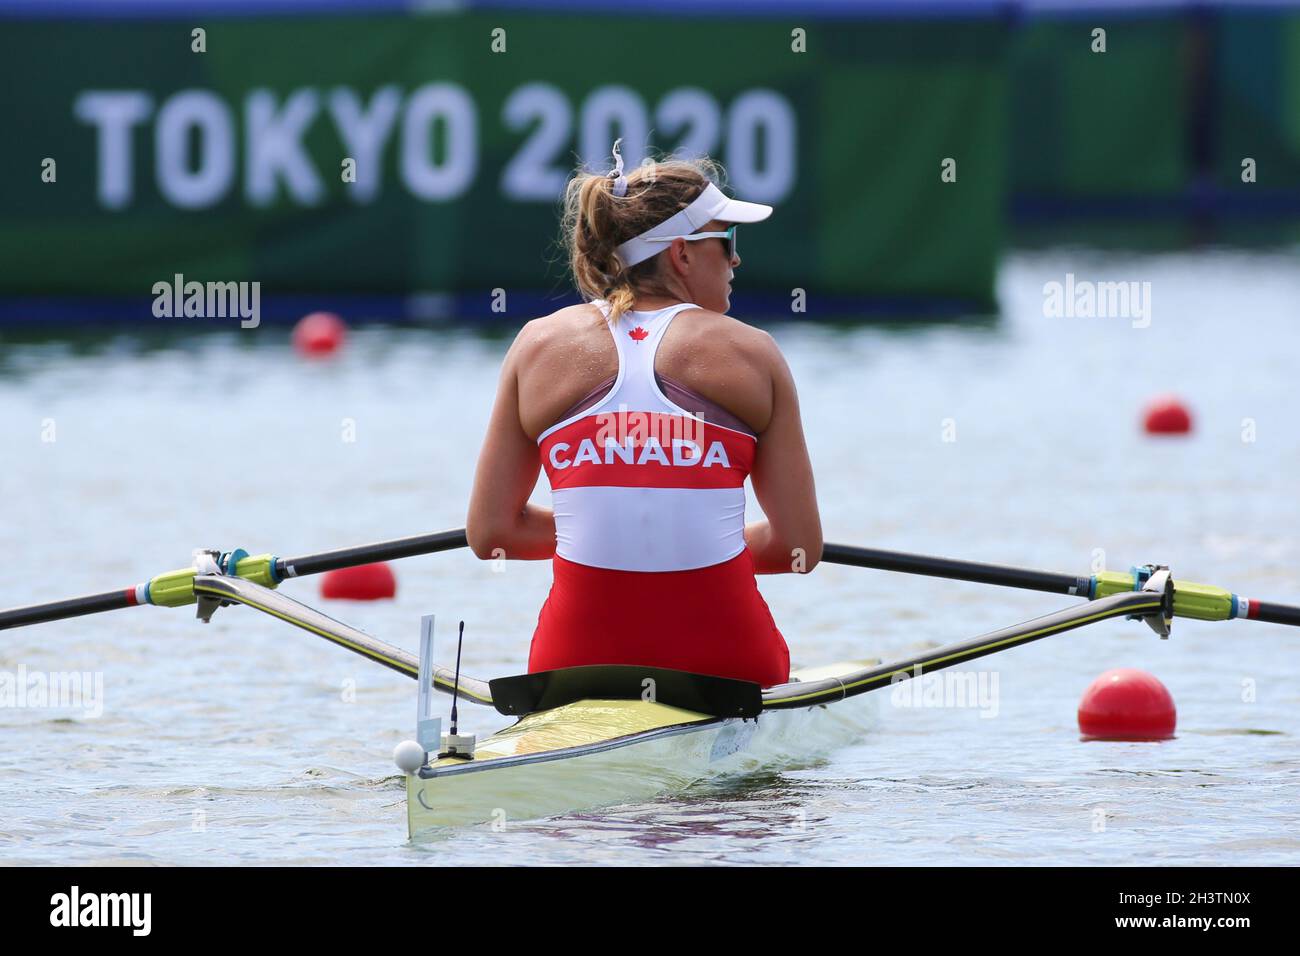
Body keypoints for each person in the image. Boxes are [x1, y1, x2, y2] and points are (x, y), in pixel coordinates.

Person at [465, 142, 821, 687]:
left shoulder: (536, 346)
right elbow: (799, 548)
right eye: (727, 241)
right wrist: (694, 530)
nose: (737, 260)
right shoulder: (753, 353)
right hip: (728, 663)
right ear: (681, 254)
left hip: (572, 663)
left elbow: (492, 534)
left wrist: (609, 522)